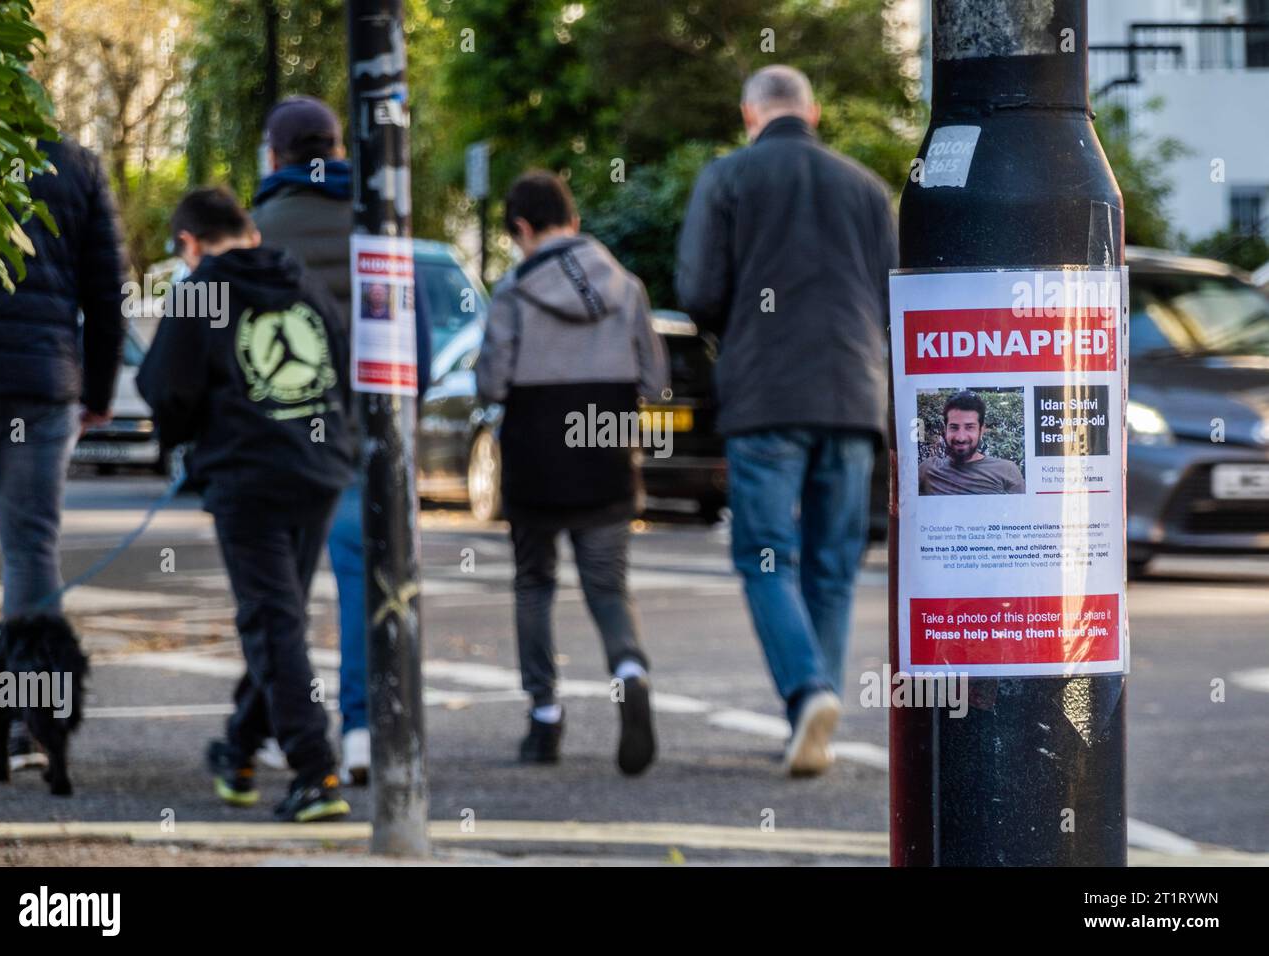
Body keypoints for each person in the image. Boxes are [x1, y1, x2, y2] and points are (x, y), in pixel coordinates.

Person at [676, 65, 898, 776]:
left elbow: (699, 291)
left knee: (765, 554)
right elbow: (894, 295)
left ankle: (808, 691)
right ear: (815, 112)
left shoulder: (727, 178)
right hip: (855, 396)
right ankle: (816, 712)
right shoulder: (867, 188)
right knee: (833, 564)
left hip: (767, 396)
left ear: (750, 115)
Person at [137, 187, 354, 822]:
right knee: (280, 616)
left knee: (272, 622)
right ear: (252, 232)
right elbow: (339, 363)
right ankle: (238, 749)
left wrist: (185, 438)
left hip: (248, 476)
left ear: (189, 243)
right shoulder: (304, 282)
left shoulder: (198, 292)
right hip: (317, 468)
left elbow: (164, 388)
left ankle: (315, 771)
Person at [251, 95, 431, 786]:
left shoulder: (260, 233)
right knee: (365, 588)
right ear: (337, 149)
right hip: (363, 437)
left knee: (280, 591)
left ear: (275, 157)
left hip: (283, 439)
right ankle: (363, 728)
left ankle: (281, 726)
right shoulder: (378, 227)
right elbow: (413, 345)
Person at [475, 171, 668, 775]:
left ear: (522, 229)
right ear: (575, 221)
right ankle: (629, 670)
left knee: (535, 585)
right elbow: (656, 381)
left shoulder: (512, 292)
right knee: (607, 587)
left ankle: (544, 718)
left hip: (534, 458)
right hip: (604, 452)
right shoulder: (627, 286)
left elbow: (490, 383)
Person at [0, 135, 128, 772]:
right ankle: (28, 722)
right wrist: (99, 392)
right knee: (31, 549)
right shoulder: (76, 166)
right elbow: (106, 290)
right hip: (41, 382)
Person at [919, 391, 1025, 495]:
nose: (961, 438)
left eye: (970, 427)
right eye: (954, 427)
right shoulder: (928, 469)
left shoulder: (1006, 471)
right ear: (945, 430)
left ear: (981, 430)